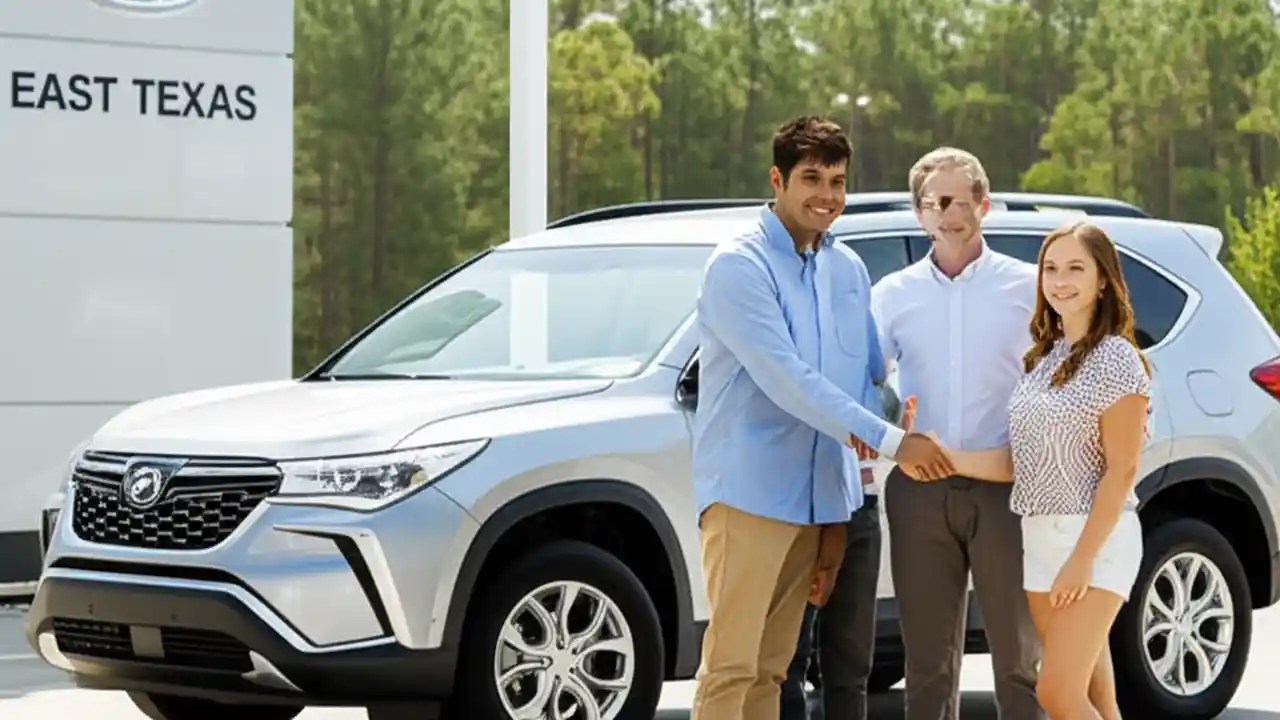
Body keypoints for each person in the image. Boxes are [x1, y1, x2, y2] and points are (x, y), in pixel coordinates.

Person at [690, 116, 955, 720]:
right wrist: (895, 443)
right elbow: (788, 380)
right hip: (748, 496)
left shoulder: (848, 269)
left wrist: (893, 414)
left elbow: (864, 379)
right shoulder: (738, 267)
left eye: (837, 181)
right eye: (811, 178)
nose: (827, 196)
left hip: (818, 501)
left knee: (771, 669)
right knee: (730, 667)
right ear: (776, 180)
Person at [916, 221, 1151, 720]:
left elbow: (1122, 470)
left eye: (1075, 268)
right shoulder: (1042, 360)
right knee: (1096, 702)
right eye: (1050, 268)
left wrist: (1082, 559)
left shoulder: (1117, 359)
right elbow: (1018, 463)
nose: (1059, 280)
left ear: (1103, 280)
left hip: (1094, 542)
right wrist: (945, 456)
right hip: (1040, 541)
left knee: (1056, 694)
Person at [870, 147, 1045, 719]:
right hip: (919, 489)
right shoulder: (891, 295)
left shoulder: (1028, 287)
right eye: (936, 201)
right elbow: (870, 382)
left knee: (1019, 660)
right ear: (918, 212)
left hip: (1007, 488)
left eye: (962, 200)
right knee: (927, 664)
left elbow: (1060, 372)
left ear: (984, 206)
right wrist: (893, 421)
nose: (950, 212)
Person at [780, 385, 907, 720]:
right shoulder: (799, 336)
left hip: (861, 501)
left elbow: (886, 400)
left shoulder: (865, 337)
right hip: (801, 502)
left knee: (850, 662)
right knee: (788, 657)